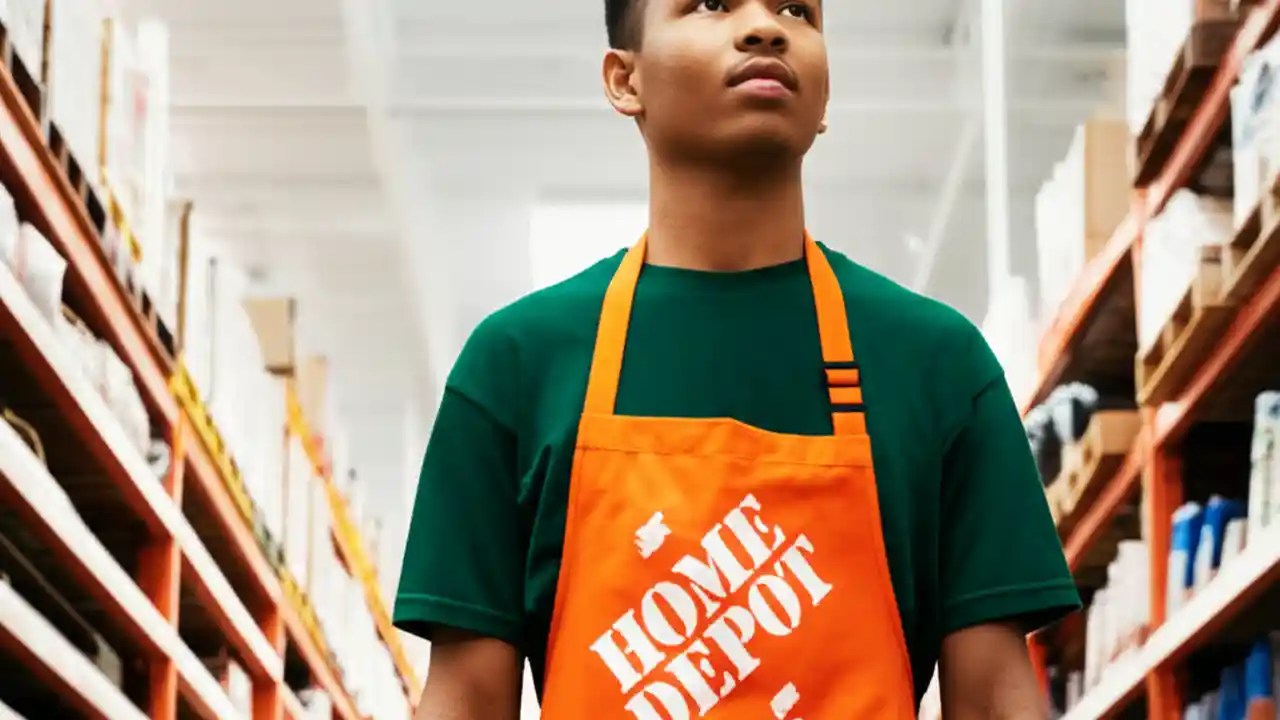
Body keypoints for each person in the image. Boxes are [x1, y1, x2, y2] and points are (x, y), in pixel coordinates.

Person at [394, 0, 1080, 717]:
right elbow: (466, 700)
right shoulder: (514, 368)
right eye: (711, 4)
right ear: (624, 80)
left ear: (823, 97)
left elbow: (996, 700)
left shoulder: (938, 365)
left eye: (797, 10)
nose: (765, 28)